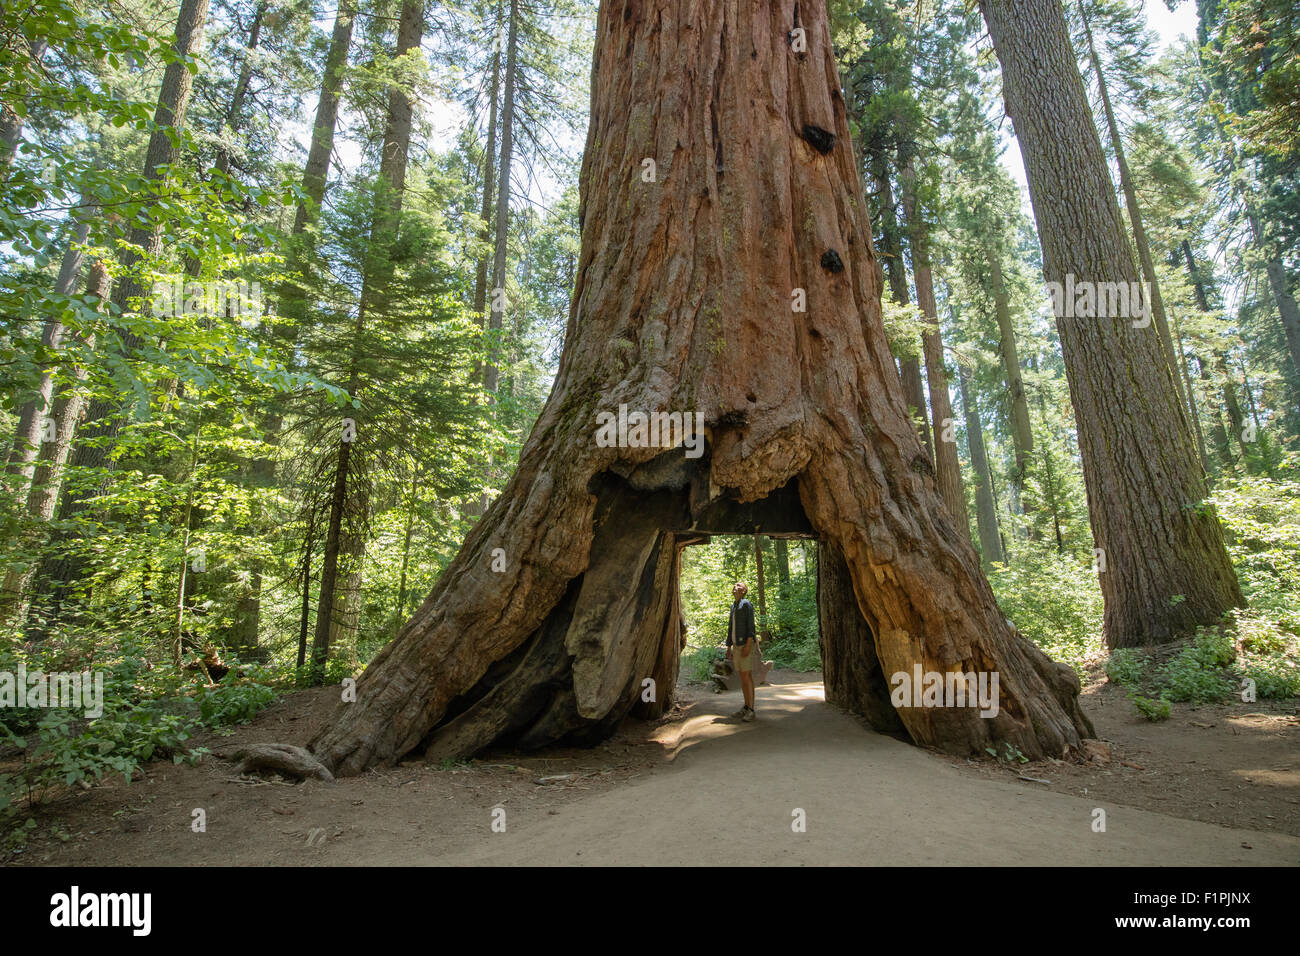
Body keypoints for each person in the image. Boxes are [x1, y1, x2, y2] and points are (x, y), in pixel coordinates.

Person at [725, 581, 758, 721]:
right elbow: (730, 627)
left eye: (739, 586)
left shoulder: (746, 604)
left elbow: (751, 626)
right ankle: (746, 707)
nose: (735, 587)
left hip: (745, 644)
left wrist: (747, 645)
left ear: (744, 591)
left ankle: (751, 709)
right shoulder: (733, 606)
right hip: (736, 645)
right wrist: (728, 647)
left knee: (747, 677)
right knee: (743, 678)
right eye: (734, 585)